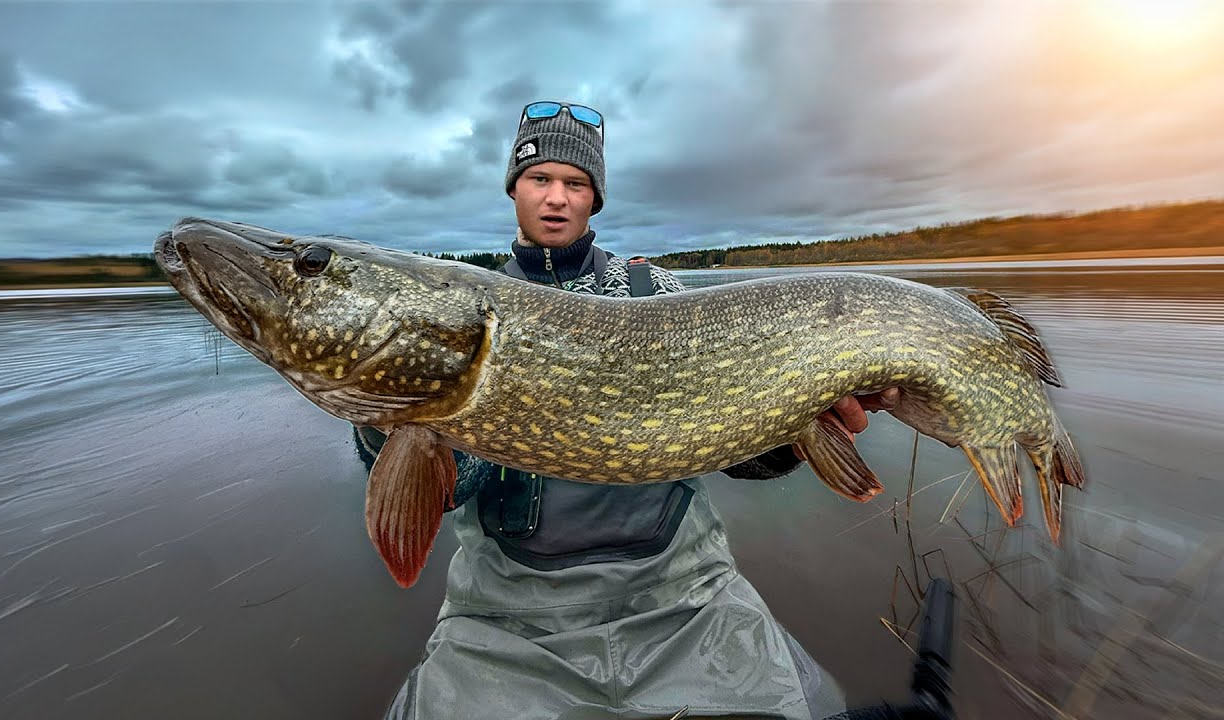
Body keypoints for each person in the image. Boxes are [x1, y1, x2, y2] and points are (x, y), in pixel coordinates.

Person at [355, 101, 900, 720]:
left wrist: (802, 421)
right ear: (514, 189)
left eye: (575, 183)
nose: (556, 197)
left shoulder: (654, 294)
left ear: (595, 199)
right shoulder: (465, 307)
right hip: (510, 613)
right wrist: (387, 411)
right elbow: (455, 488)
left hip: (683, 594)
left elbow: (735, 451)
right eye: (540, 178)